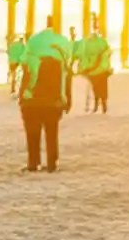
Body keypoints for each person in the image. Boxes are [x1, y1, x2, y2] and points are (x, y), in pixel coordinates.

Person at [19, 17, 72, 172]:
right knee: (51, 132)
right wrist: (68, 101)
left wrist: (22, 98)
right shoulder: (60, 61)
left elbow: (25, 78)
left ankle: (33, 163)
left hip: (31, 102)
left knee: (32, 133)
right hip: (52, 101)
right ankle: (51, 163)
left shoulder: (30, 56)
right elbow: (66, 81)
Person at [80, 28, 113, 113]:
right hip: (103, 68)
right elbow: (109, 52)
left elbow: (84, 56)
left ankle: (97, 104)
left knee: (96, 88)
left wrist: (85, 68)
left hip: (94, 70)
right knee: (103, 87)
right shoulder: (102, 41)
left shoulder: (87, 43)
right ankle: (103, 104)